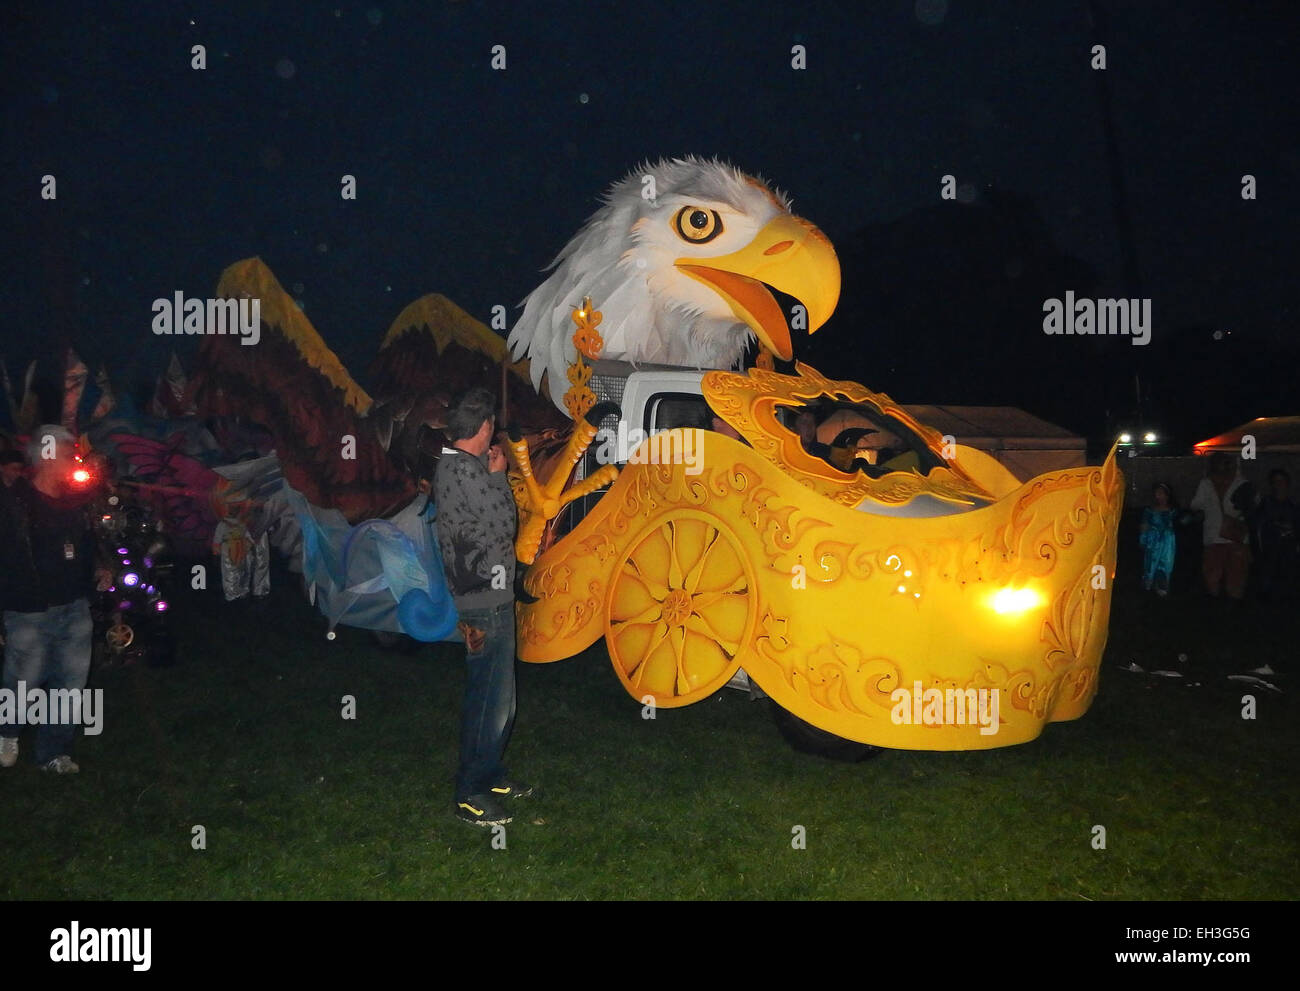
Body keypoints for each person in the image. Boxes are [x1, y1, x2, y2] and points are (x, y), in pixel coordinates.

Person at [433, 388, 532, 827]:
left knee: (502, 700)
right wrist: (499, 475)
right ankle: (470, 792)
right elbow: (506, 524)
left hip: (488, 596)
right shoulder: (467, 472)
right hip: (483, 601)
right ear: (485, 427)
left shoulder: (454, 466)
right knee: (488, 700)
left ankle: (490, 776)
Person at [0, 426, 110, 773]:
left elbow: (87, 540)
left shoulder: (74, 500)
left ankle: (54, 753)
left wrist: (100, 565)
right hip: (28, 608)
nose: (72, 460)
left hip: (74, 606)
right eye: (67, 453)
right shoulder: (12, 502)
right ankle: (6, 732)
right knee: (22, 680)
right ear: (47, 456)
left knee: (69, 684)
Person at [1189, 453, 1250, 600]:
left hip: (1235, 536)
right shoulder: (1206, 484)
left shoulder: (1241, 483)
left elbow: (1251, 507)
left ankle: (1232, 603)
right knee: (1213, 573)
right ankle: (1217, 602)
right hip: (1215, 535)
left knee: (1235, 574)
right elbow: (1196, 505)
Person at [1252, 468, 1299, 601]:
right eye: (1276, 482)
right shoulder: (1265, 505)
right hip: (1269, 554)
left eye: (1282, 481)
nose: (1279, 485)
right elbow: (1256, 528)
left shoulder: (1293, 507)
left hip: (1289, 556)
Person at [1139, 482, 1178, 596]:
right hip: (1153, 542)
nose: (1158, 495)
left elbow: (1180, 523)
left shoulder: (1173, 511)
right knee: (1151, 563)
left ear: (1167, 495)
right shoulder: (1150, 511)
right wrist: (1143, 539)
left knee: (1166, 563)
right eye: (1156, 493)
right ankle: (1148, 587)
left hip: (1167, 542)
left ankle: (1162, 587)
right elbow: (1144, 525)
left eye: (1160, 493)